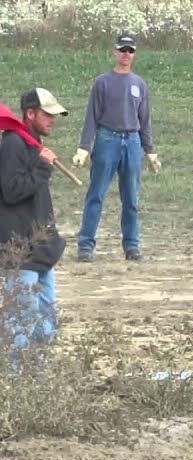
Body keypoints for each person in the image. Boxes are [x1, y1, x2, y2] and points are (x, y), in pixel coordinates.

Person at [71, 33, 160, 263]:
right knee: (96, 194)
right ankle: (85, 245)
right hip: (107, 139)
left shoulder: (139, 84)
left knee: (131, 198)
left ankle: (132, 246)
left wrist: (150, 151)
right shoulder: (102, 82)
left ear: (134, 54)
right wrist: (83, 147)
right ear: (115, 52)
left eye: (130, 51)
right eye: (122, 50)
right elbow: (91, 117)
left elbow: (144, 120)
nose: (126, 54)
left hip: (132, 142)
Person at [1, 88, 69, 365]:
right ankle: (15, 379)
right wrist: (42, 167)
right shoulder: (13, 144)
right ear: (30, 113)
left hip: (40, 249)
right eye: (47, 114)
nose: (53, 119)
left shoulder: (32, 145)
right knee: (21, 321)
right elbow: (12, 190)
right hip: (20, 249)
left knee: (46, 323)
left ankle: (39, 378)